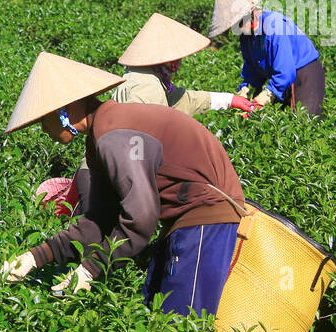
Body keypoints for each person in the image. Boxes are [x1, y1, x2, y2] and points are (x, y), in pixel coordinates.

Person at [0, 53, 246, 318]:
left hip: (206, 213)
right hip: (183, 216)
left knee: (180, 323)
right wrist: (35, 257)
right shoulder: (101, 135)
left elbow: (141, 216)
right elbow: (98, 220)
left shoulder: (113, 136)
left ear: (64, 110)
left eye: (42, 120)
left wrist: (88, 271)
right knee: (155, 309)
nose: (43, 130)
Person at [43, 14, 256, 215]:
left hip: (104, 172)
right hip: (104, 177)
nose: (179, 63)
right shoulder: (145, 86)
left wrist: (230, 100)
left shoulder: (152, 80)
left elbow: (185, 100)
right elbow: (136, 143)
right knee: (96, 236)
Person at [209, 0, 326, 117]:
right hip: (279, 77)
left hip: (305, 74)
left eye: (241, 22)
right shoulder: (245, 35)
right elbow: (252, 66)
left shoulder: (275, 26)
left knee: (305, 121)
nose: (239, 27)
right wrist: (246, 88)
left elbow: (286, 70)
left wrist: (267, 95)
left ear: (251, 13)